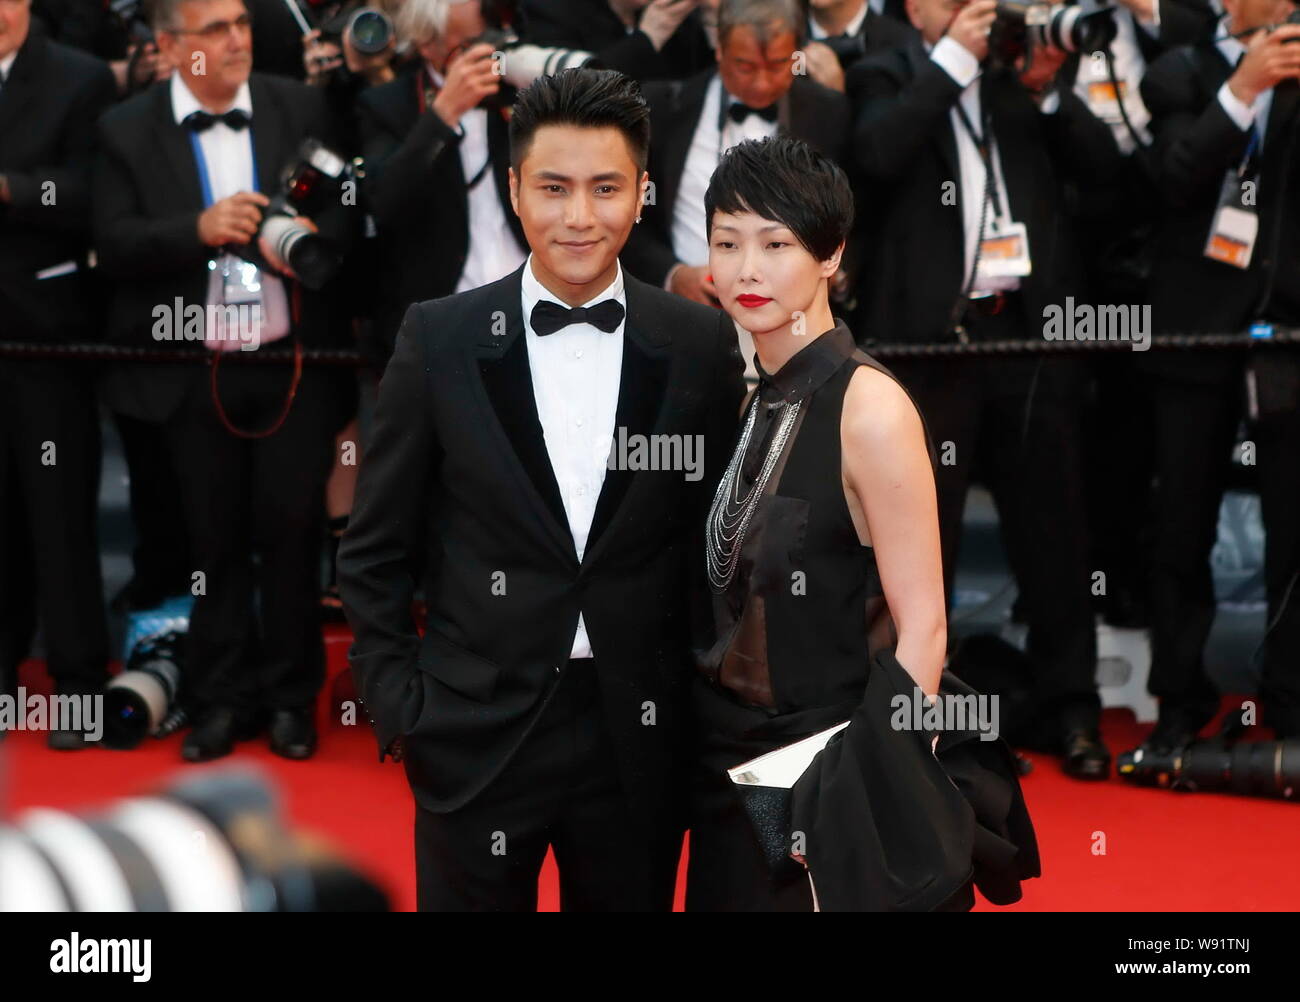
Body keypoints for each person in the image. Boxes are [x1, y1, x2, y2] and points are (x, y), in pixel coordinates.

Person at [337, 67, 746, 911]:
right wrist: (399, 704)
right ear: (516, 190)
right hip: (474, 727)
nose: (579, 216)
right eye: (554, 188)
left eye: (604, 189)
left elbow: (717, 546)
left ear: (643, 196)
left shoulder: (701, 343)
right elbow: (376, 546)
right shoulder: (439, 338)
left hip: (640, 733)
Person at [686, 135, 1037, 911]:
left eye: (776, 243)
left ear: (830, 254)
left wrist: (876, 793)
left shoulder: (870, 408)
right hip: (732, 778)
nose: (746, 268)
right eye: (726, 242)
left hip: (829, 778)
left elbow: (925, 629)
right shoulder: (749, 393)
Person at [849, 0, 1124, 779]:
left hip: (1028, 342)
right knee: (918, 545)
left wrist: (1044, 90)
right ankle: (928, 720)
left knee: (1056, 533)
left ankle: (1072, 712)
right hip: (932, 349)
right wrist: (952, 67)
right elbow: (873, 157)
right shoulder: (887, 71)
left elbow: (1107, 173)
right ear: (913, 8)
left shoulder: (1014, 78)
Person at [93, 0, 359, 762]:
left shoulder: (299, 104)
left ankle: (289, 701)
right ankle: (216, 700)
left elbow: (345, 210)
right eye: (215, 29)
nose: (237, 39)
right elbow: (110, 245)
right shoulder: (126, 129)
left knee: (290, 536)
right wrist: (197, 231)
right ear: (172, 47)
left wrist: (308, 238)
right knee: (207, 547)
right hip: (190, 372)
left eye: (241, 23)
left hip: (291, 364)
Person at [1130, 0, 1300, 750]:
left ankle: (1289, 704)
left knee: (1293, 527)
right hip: (1195, 327)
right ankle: (1177, 699)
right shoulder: (1179, 69)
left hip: (1288, 332)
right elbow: (1173, 176)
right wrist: (1244, 87)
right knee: (1181, 524)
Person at [0, 0, 116, 747]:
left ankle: (77, 687)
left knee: (60, 517)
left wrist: (8, 188)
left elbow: (94, 196)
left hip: (45, 337)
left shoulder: (78, 80)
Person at [623, 0, 851, 376]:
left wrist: (829, 275)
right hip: (678, 327)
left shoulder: (828, 111)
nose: (761, 82)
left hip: (794, 336)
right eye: (744, 66)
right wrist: (673, 273)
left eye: (778, 65)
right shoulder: (662, 107)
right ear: (719, 51)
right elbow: (630, 215)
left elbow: (848, 215)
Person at [520, 0, 717, 82]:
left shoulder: (677, 14)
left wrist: (714, 19)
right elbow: (572, 89)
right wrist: (647, 39)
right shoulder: (551, 9)